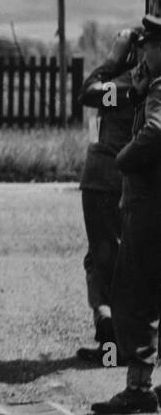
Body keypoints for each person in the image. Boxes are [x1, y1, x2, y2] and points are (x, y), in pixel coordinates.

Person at [92, 15, 161, 415]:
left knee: (134, 292)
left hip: (148, 204)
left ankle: (137, 387)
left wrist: (124, 157)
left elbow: (89, 95)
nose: (142, 53)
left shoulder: (152, 87)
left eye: (148, 46)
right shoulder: (142, 87)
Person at [76, 28, 139, 366]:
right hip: (126, 180)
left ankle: (112, 344)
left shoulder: (127, 86)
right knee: (115, 261)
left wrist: (113, 58)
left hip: (104, 180)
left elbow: (88, 93)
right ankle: (116, 346)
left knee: (103, 262)